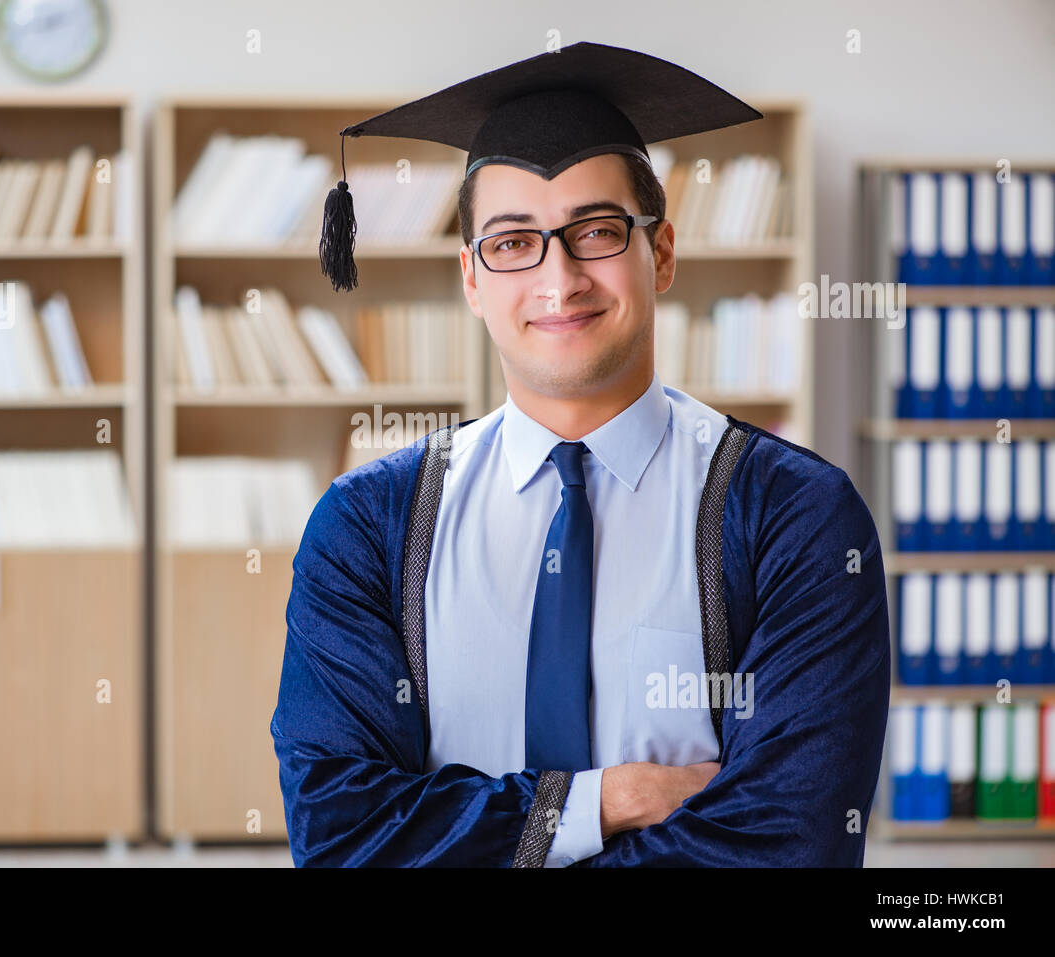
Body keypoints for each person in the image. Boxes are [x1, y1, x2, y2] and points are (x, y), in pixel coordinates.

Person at [271, 41, 891, 867]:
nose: (559, 281)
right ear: (471, 278)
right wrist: (609, 800)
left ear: (660, 252)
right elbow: (341, 830)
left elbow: (788, 843)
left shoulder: (793, 514)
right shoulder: (368, 526)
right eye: (513, 242)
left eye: (596, 232)